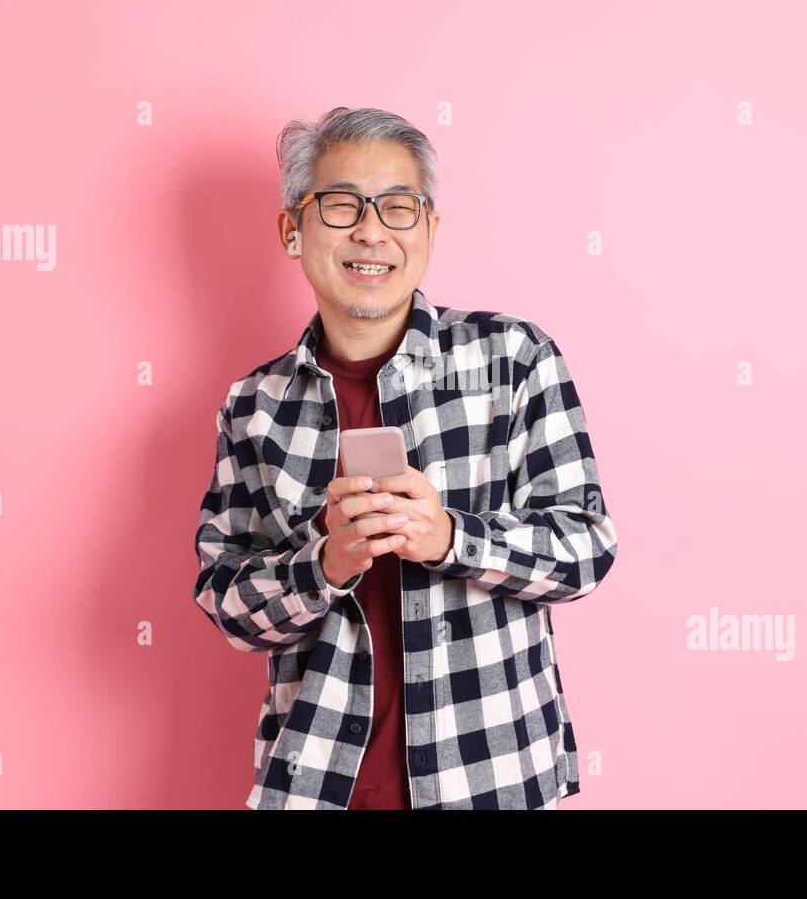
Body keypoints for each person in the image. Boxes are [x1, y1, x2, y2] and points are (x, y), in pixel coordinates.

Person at [193, 106, 619, 809]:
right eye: (340, 205)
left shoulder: (513, 359)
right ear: (291, 231)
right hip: (319, 785)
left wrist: (449, 537)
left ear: (428, 231)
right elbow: (227, 603)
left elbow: (586, 549)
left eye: (398, 207)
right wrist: (322, 564)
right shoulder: (254, 404)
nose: (371, 231)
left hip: (490, 779)